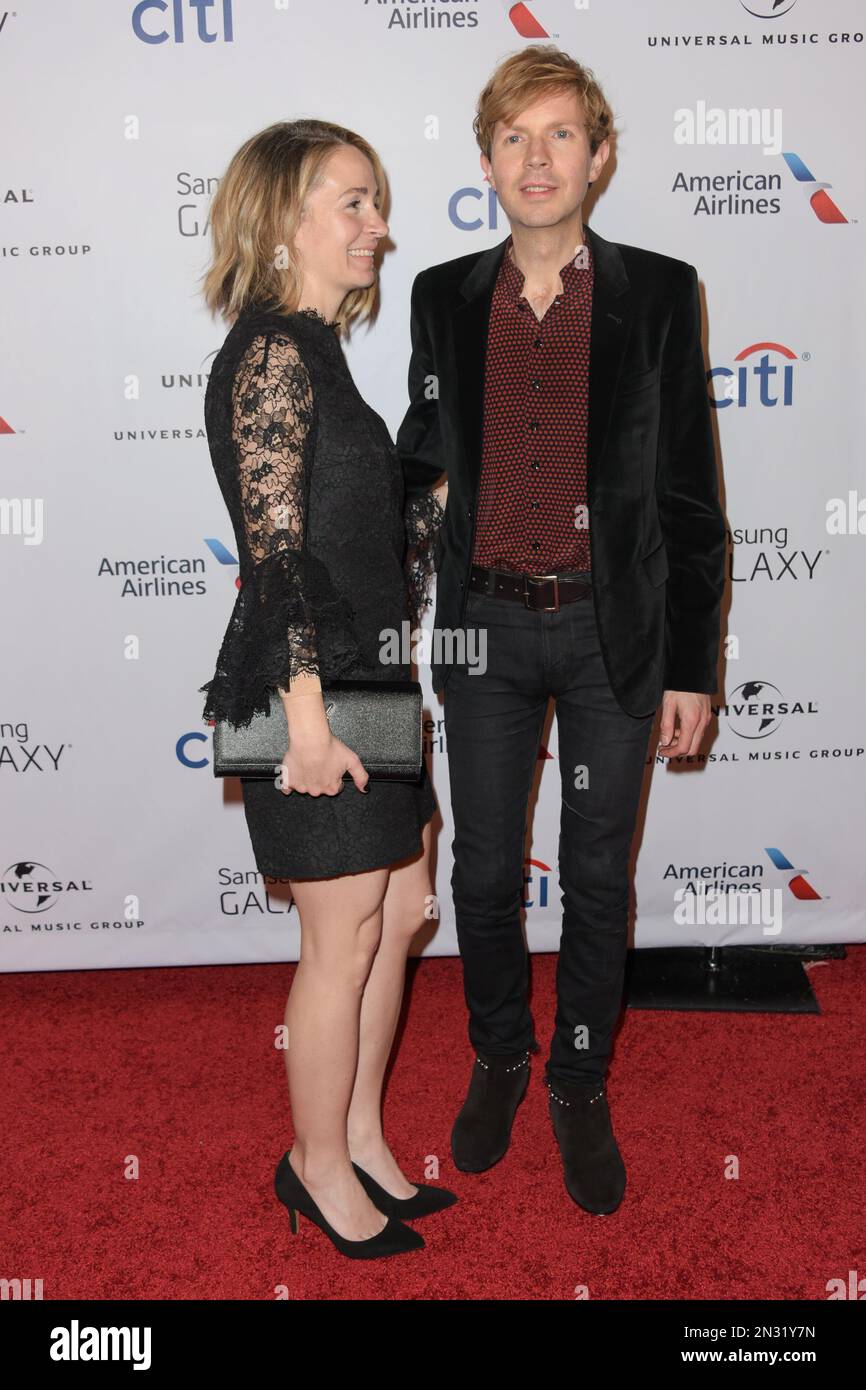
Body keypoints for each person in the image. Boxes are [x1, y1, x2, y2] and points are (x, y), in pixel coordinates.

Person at [396, 46, 727, 1215]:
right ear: (485, 157)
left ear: (598, 154)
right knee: (482, 873)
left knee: (595, 876)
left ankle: (577, 1081)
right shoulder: (442, 296)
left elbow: (688, 496)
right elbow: (421, 453)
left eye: (559, 135)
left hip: (608, 634)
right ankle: (498, 1054)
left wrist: (694, 663)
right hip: (483, 627)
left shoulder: (657, 291)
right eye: (512, 136)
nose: (536, 159)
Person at [198, 119, 454, 1259]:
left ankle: (354, 1135)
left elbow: (366, 537)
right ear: (279, 216)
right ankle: (310, 1166)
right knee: (340, 937)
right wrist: (303, 720)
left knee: (397, 914)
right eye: (352, 203)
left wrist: (441, 482)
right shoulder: (269, 358)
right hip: (316, 690)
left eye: (376, 203)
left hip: (374, 677)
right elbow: (277, 554)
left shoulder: (320, 350)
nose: (378, 228)